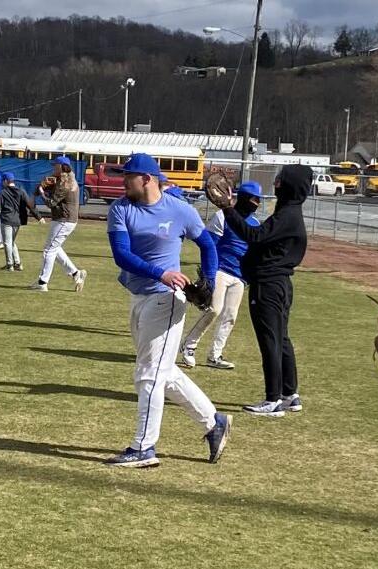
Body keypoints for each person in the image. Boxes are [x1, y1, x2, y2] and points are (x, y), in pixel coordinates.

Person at [104, 152, 232, 468]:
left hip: (168, 299)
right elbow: (121, 255)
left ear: (147, 179)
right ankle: (214, 423)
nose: (123, 181)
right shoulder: (120, 209)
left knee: (148, 373)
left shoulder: (180, 210)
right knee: (163, 370)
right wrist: (160, 272)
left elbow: (207, 245)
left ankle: (144, 448)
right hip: (140, 295)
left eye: (128, 176)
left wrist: (210, 279)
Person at [220, 165, 309, 417]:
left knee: (270, 340)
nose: (276, 182)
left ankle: (273, 400)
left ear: (289, 184)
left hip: (268, 286)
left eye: (281, 179)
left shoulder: (287, 214)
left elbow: (253, 235)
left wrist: (228, 208)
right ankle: (290, 394)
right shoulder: (289, 211)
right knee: (281, 338)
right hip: (278, 284)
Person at [179, 181, 262, 370]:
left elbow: (252, 251)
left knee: (230, 316)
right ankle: (189, 345)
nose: (256, 202)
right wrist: (209, 275)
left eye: (258, 199)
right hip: (220, 270)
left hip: (240, 276)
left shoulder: (255, 222)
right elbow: (209, 246)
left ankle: (215, 355)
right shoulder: (222, 216)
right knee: (214, 310)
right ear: (242, 198)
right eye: (253, 198)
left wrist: (249, 275)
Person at [30, 156, 87, 293]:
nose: (53, 168)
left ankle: (42, 282)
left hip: (64, 219)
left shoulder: (65, 182)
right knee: (55, 248)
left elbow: (51, 203)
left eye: (55, 166)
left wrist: (42, 191)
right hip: (64, 219)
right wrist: (45, 187)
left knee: (49, 250)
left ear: (62, 167)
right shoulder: (65, 180)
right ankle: (75, 273)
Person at [0, 172, 41, 272]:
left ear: (6, 181)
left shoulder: (2, 193)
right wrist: (39, 217)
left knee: (7, 242)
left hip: (6, 219)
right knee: (11, 242)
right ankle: (18, 263)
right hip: (18, 221)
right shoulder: (21, 191)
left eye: (3, 181)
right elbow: (30, 205)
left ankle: (9, 264)